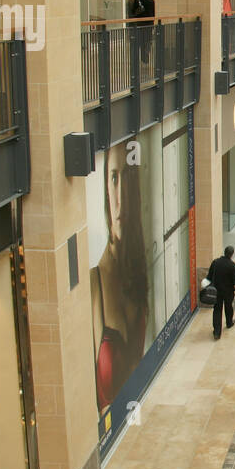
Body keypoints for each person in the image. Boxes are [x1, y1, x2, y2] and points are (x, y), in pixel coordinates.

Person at [91, 139, 149, 412]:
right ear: (104, 190)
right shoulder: (95, 285)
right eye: (114, 178)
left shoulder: (137, 272)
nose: (121, 197)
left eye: (127, 178)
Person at [205, 245, 235, 337]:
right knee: (229, 308)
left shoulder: (215, 262)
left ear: (224, 252)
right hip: (228, 292)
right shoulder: (233, 266)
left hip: (216, 292)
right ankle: (229, 323)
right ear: (232, 254)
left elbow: (209, 277)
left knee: (217, 310)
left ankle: (217, 332)